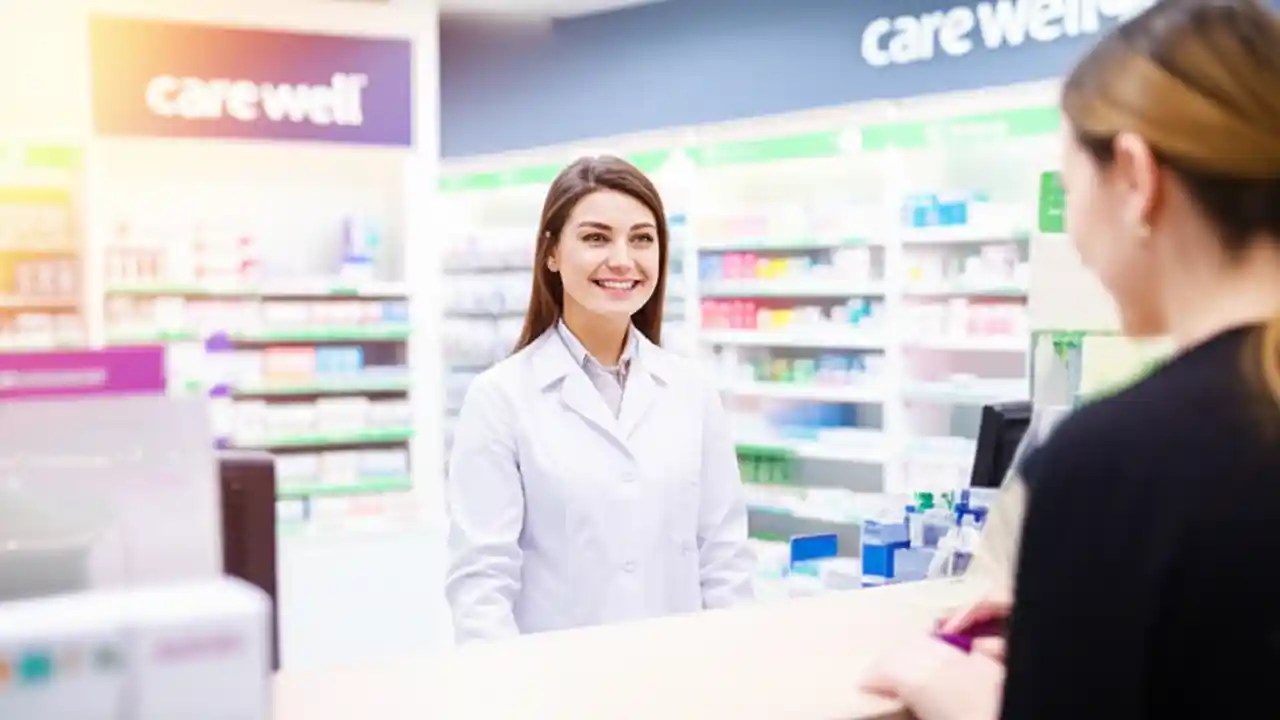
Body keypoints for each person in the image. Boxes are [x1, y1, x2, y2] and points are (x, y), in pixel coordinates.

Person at [864, 0, 1280, 717]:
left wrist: (948, 685)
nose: (1076, 234)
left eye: (1070, 183)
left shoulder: (1117, 461)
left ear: (1134, 177)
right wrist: (1083, 614)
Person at [445, 155, 755, 644]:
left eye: (641, 238)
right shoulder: (501, 398)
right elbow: (481, 584)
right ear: (551, 252)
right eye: (595, 237)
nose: (622, 259)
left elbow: (724, 559)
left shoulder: (691, 392)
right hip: (557, 691)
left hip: (682, 678)